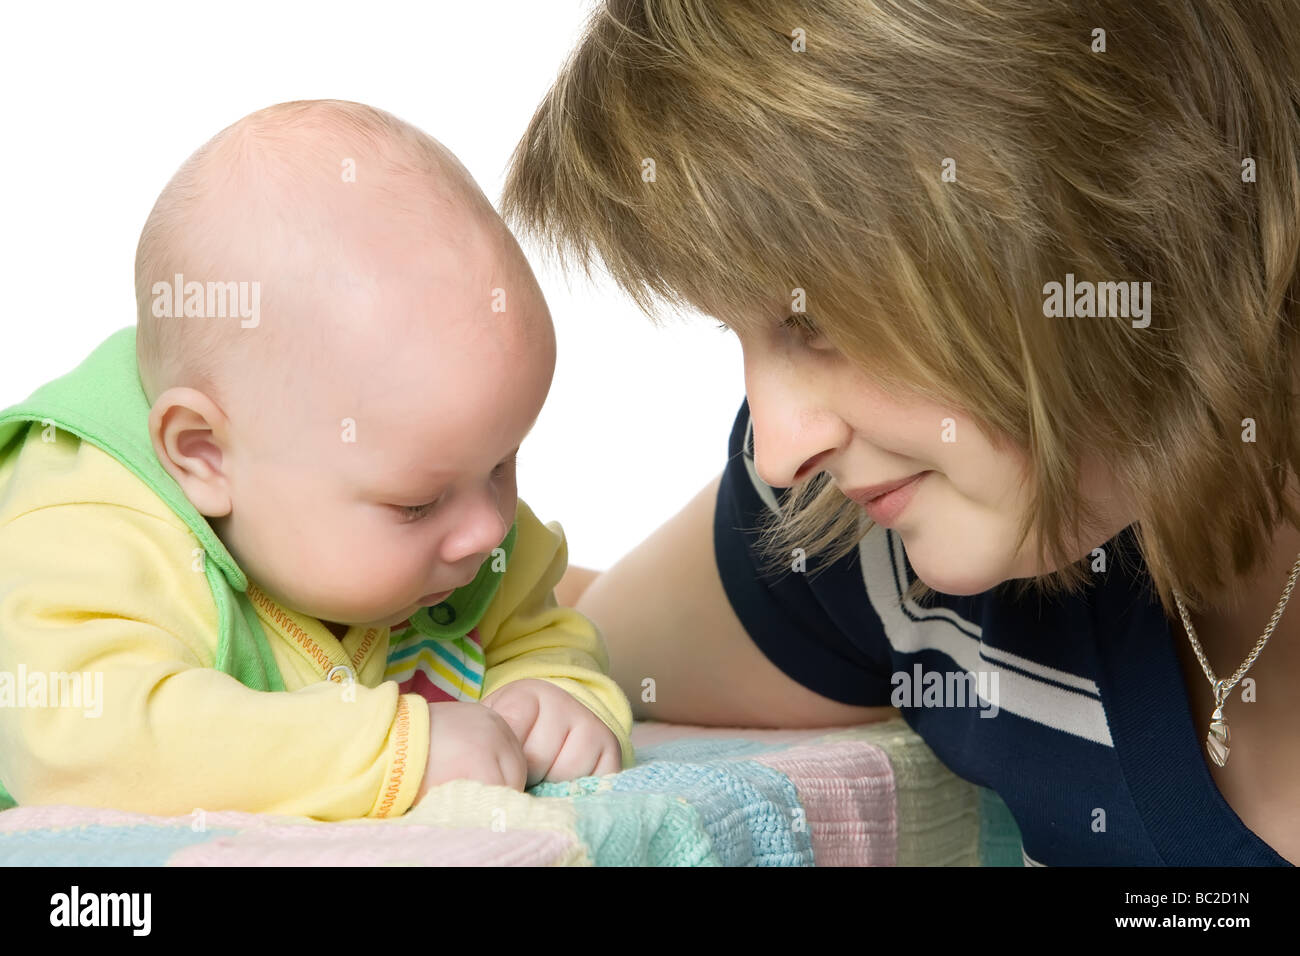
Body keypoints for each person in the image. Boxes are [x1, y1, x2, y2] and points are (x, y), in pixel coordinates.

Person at [502, 0, 1300, 864]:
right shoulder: (876, 545)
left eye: (809, 322)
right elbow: (541, 634)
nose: (779, 450)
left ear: (1093, 197)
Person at [0, 100, 633, 822]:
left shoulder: (444, 511)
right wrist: (392, 753)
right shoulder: (83, 536)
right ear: (204, 455)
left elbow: (536, 628)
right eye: (417, 504)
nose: (489, 530)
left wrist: (556, 698)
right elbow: (89, 744)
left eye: (501, 464)